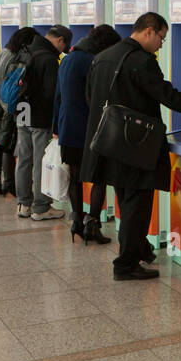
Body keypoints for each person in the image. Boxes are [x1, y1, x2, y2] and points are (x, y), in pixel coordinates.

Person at [83, 12, 181, 280]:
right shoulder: (141, 62)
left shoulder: (103, 57)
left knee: (125, 200)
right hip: (136, 146)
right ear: (149, 31)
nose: (161, 45)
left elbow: (90, 97)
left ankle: (139, 249)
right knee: (137, 205)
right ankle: (126, 264)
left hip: (110, 142)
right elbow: (170, 98)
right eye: (161, 38)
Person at [54, 24, 120, 244]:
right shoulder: (94, 62)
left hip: (68, 128)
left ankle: (76, 221)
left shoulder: (68, 58)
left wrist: (57, 127)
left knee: (75, 176)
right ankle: (93, 224)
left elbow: (59, 96)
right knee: (99, 176)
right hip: (89, 129)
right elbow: (96, 99)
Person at [14, 24, 72, 221]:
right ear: (60, 41)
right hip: (39, 115)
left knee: (23, 158)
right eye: (62, 48)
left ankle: (23, 204)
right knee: (40, 159)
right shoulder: (48, 59)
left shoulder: (26, 50)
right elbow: (51, 94)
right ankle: (41, 207)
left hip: (21, 111)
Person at [0, 27, 35, 198]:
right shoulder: (19, 57)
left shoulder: (2, 52)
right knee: (8, 143)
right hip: (9, 103)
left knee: (0, 141)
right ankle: (9, 184)